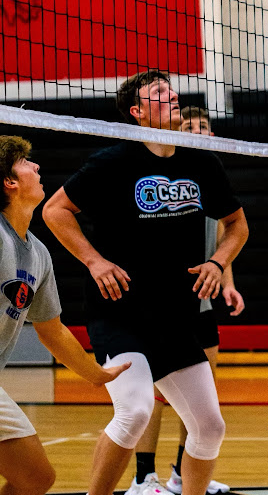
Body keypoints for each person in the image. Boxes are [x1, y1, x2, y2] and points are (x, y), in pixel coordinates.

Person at [43, 70, 249, 495]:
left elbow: (237, 224)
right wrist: (95, 261)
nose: (172, 95)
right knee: (135, 411)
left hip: (176, 318)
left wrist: (218, 261)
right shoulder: (113, 161)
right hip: (121, 314)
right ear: (137, 112)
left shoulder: (201, 162)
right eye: (159, 92)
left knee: (210, 426)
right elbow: (54, 211)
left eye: (171, 88)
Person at [0, 135, 130, 495]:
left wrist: (96, 374)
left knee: (36, 478)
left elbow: (52, 331)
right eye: (26, 163)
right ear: (9, 182)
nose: (36, 166)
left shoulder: (38, 254)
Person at [126, 106, 245, 495]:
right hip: (160, 302)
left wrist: (227, 282)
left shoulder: (211, 177)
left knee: (201, 394)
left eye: (203, 126)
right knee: (155, 394)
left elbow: (225, 237)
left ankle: (183, 474)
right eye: (189, 125)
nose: (196, 131)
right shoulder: (159, 175)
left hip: (202, 302)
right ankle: (144, 477)